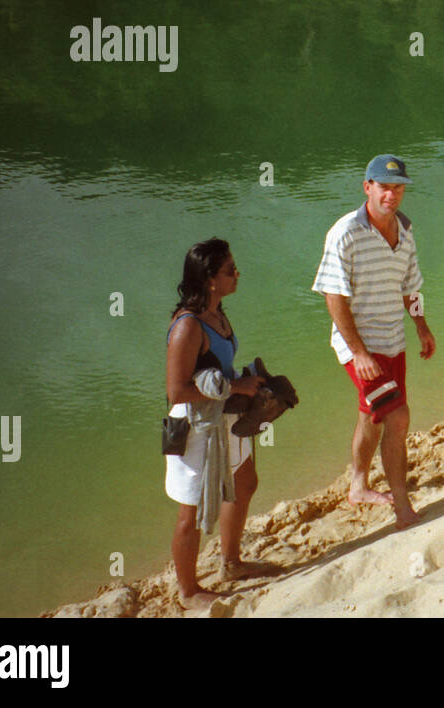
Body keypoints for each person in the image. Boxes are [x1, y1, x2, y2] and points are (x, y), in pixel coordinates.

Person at [313, 154, 436, 530]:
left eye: (398, 187)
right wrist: (359, 352)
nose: (392, 195)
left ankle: (358, 486)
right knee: (397, 417)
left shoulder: (405, 229)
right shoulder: (345, 232)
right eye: (384, 186)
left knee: (372, 415)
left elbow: (410, 286)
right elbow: (334, 296)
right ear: (367, 187)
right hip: (359, 346)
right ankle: (402, 507)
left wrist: (421, 326)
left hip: (393, 341)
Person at [165, 238, 271, 610]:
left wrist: (245, 384)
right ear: (210, 279)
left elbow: (215, 369)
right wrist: (234, 386)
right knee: (189, 509)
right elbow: (176, 391)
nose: (236, 274)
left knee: (245, 481)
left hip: (224, 418)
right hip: (195, 429)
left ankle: (231, 563)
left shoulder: (217, 313)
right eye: (230, 270)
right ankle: (189, 590)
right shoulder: (188, 327)